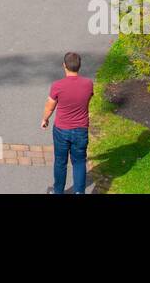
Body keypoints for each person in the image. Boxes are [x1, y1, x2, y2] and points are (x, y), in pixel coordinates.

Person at [41, 51, 94, 195]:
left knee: (60, 162)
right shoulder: (88, 84)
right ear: (79, 66)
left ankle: (58, 191)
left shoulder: (57, 85)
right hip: (81, 130)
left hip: (61, 131)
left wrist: (45, 119)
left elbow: (49, 106)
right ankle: (79, 192)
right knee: (79, 162)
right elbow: (87, 100)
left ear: (64, 66)